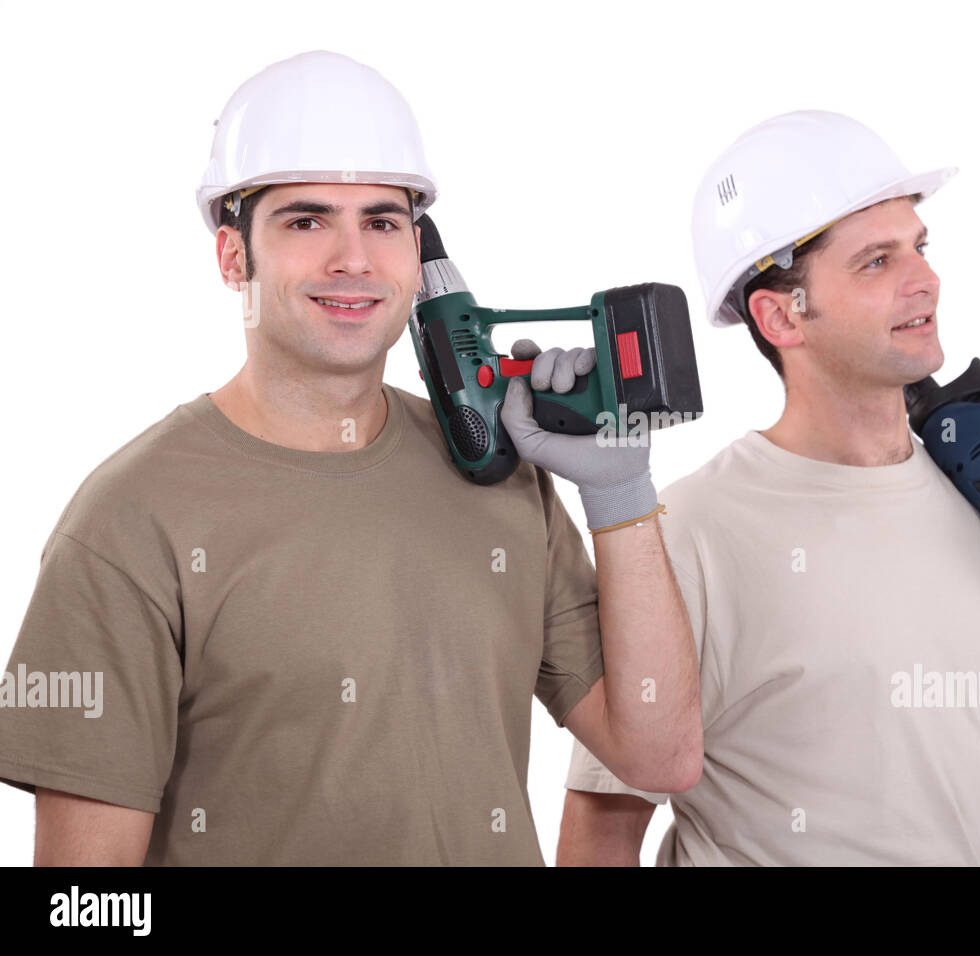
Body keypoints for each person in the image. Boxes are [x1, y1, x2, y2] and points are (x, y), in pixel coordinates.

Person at [0, 50, 700, 865]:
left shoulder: (504, 477)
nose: (354, 260)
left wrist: (620, 491)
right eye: (306, 220)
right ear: (234, 259)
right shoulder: (129, 520)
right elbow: (82, 901)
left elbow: (662, 755)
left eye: (381, 220)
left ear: (416, 250)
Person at [558, 110, 980, 866]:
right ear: (781, 315)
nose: (925, 279)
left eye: (920, 247)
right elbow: (602, 826)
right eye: (877, 261)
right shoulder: (686, 532)